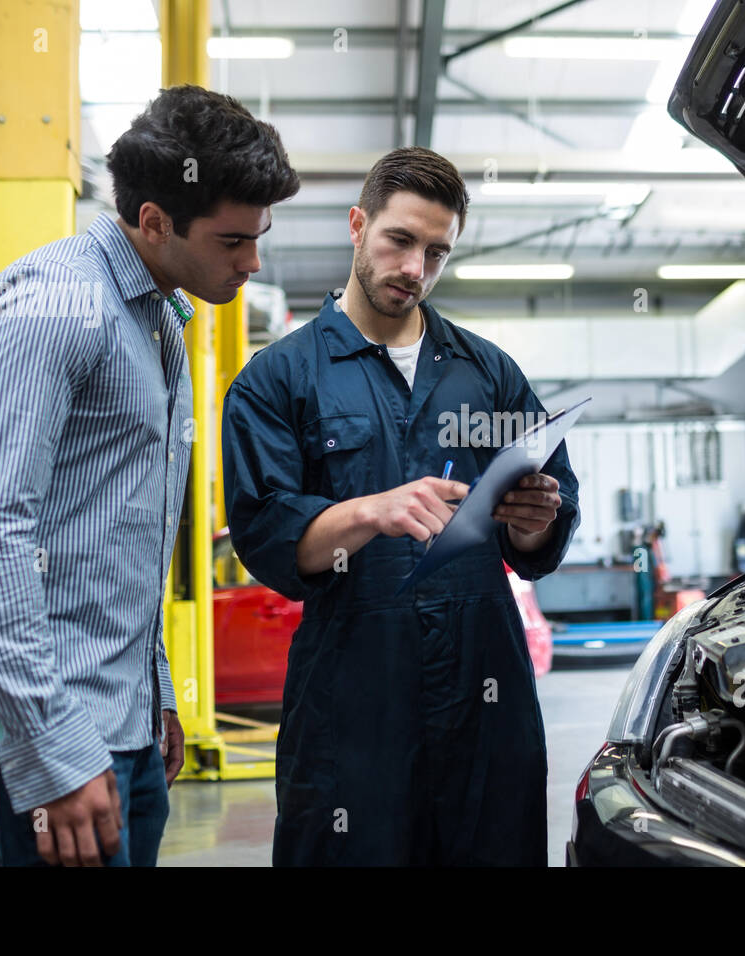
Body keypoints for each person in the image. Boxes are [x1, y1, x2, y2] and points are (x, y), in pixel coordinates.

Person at [0, 85, 300, 866]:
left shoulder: (158, 317)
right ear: (153, 221)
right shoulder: (55, 306)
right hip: (49, 725)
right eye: (234, 240)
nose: (253, 261)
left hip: (121, 714)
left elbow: (116, 535)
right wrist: (53, 746)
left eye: (259, 236)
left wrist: (156, 694)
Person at [223, 147, 581, 866]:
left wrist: (539, 524)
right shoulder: (279, 380)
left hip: (486, 691)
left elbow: (548, 517)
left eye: (437, 252)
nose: (416, 268)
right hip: (355, 695)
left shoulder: (489, 372)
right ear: (358, 226)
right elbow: (265, 537)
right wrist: (369, 512)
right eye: (400, 240)